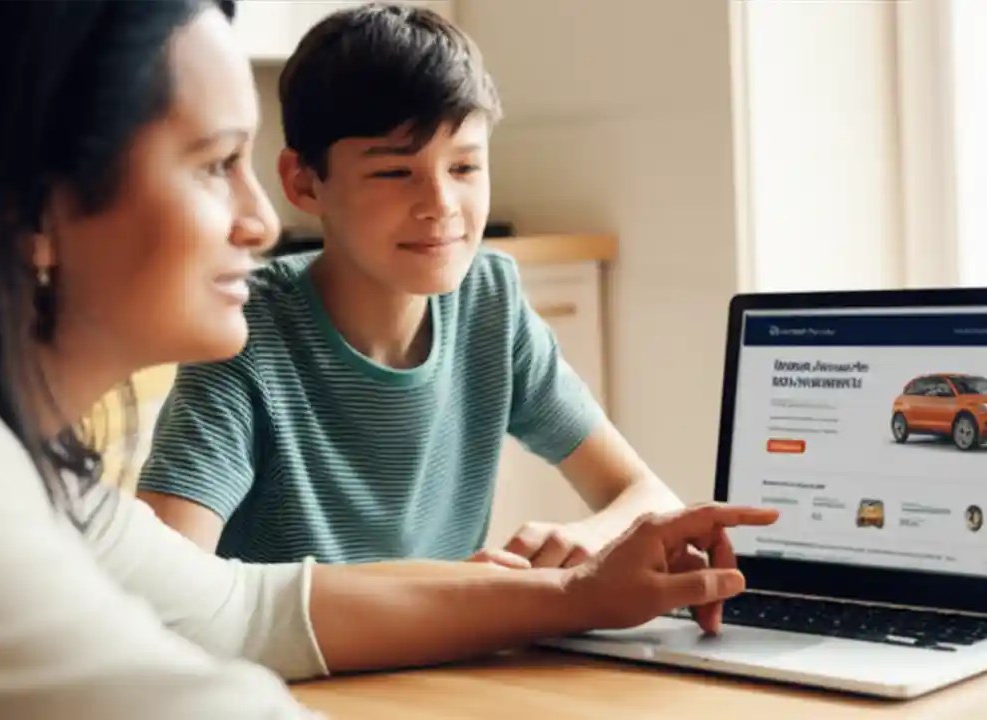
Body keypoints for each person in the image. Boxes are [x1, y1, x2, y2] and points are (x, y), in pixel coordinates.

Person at [0, 2, 779, 718]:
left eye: (465, 166)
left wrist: (580, 592)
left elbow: (241, 609)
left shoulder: (27, 468)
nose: (260, 222)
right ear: (34, 206)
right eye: (214, 164)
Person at [137, 2, 688, 570]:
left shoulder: (488, 304)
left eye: (464, 168)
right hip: (306, 636)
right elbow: (164, 580)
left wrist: (589, 538)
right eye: (394, 172)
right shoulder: (245, 333)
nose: (440, 205)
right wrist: (444, 599)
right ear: (303, 182)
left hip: (453, 628)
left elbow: (648, 498)